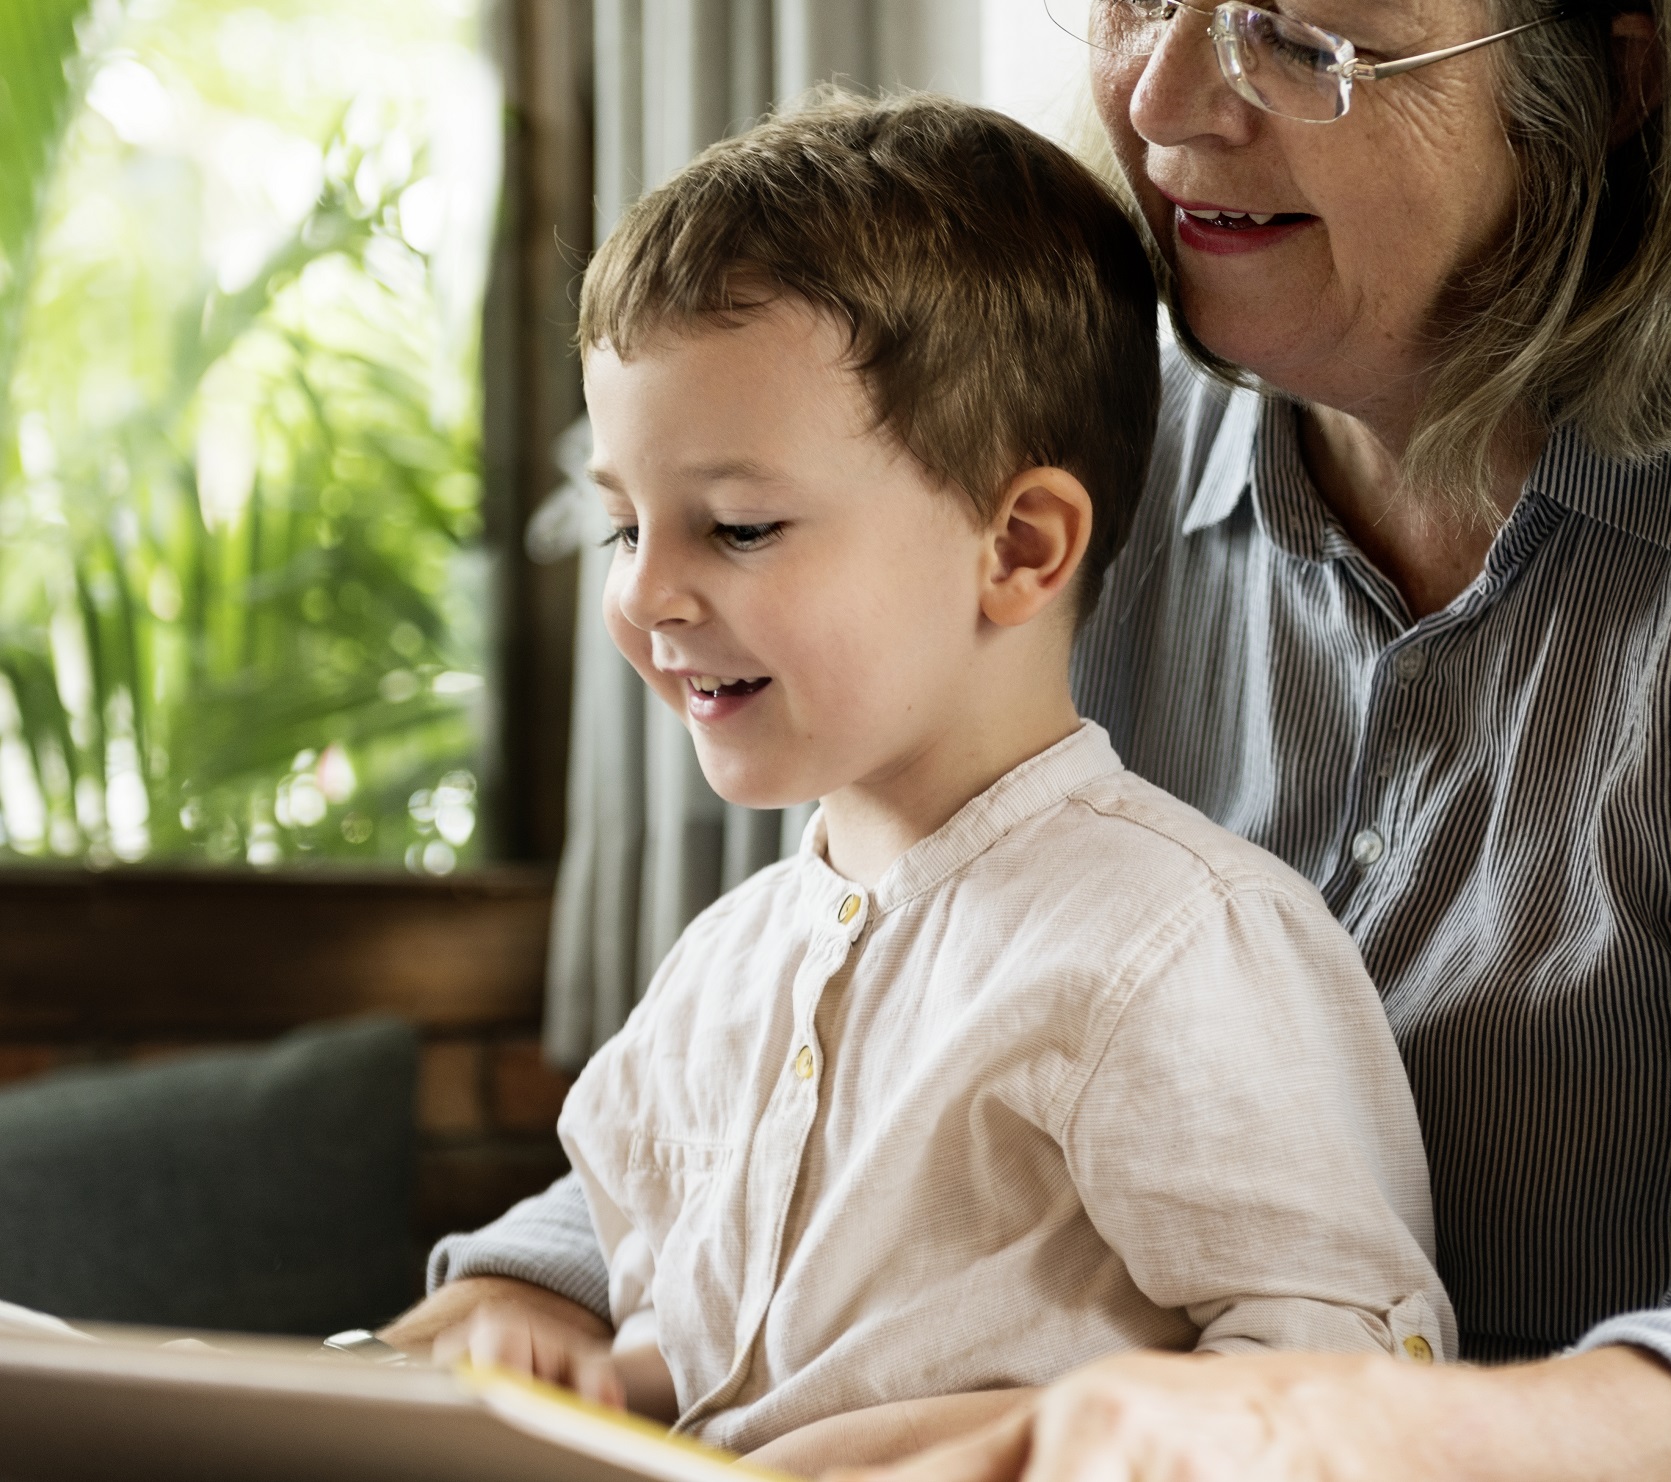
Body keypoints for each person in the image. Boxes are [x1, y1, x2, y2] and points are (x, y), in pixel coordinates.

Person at [391, 0, 1671, 1475]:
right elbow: (860, 1054)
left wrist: (1306, 1418)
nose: (1159, 99)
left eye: (1296, 33)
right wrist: (551, 1286)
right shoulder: (1041, 475)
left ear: (1617, 83)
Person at [393, 92, 1456, 1464]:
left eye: (738, 526)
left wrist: (1016, 1439)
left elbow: (1354, 1371)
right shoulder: (722, 972)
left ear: (1017, 548)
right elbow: (732, 1356)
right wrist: (588, 1369)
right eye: (621, 525)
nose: (650, 590)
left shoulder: (1174, 945)